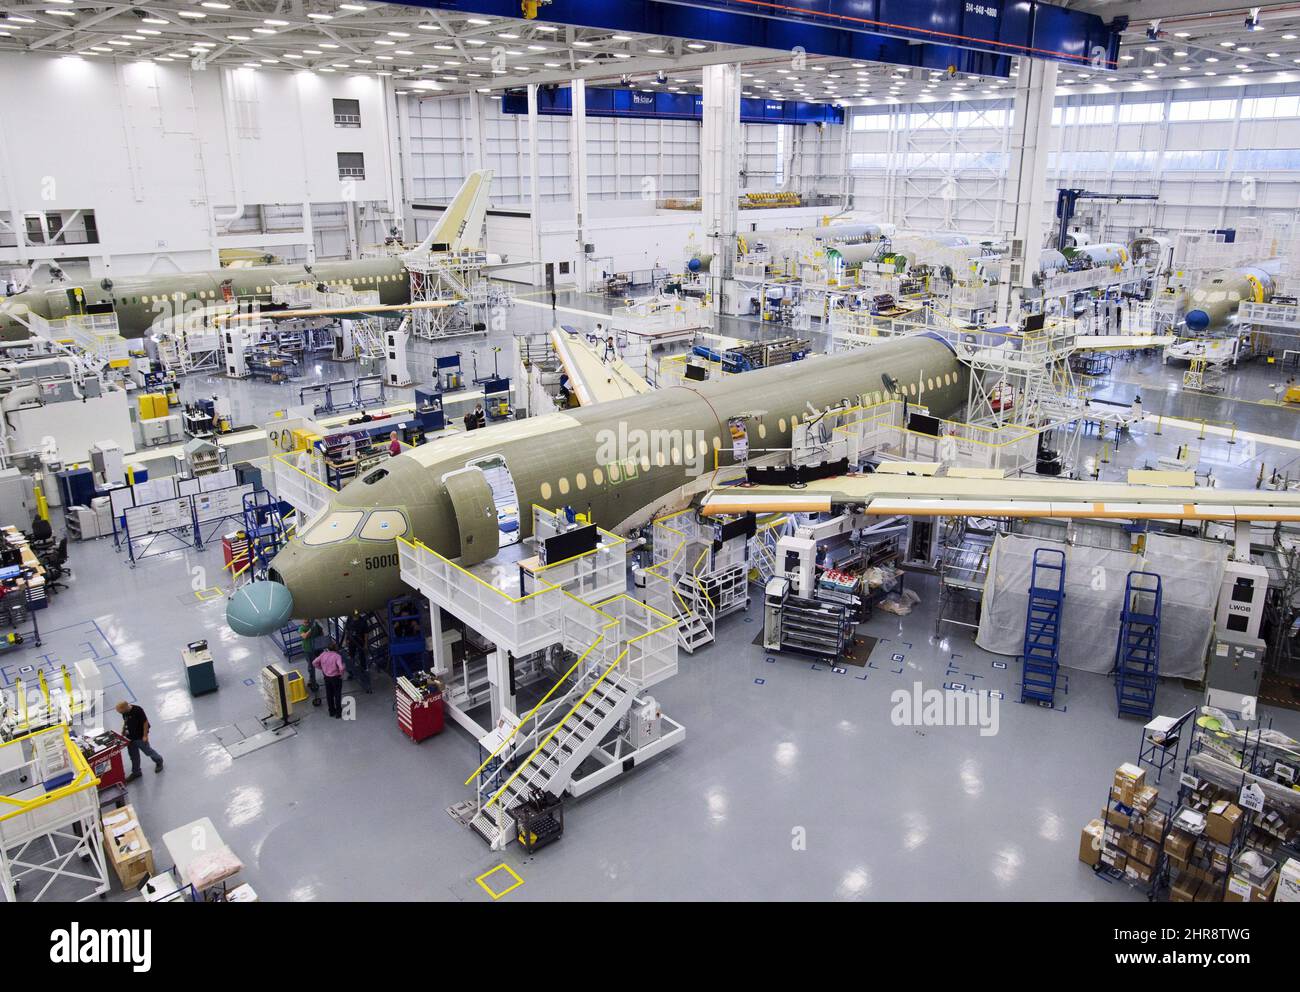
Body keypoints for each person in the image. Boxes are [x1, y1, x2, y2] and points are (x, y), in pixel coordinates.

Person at [115, 701, 164, 781]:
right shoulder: (124, 712)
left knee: (148, 751)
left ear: (125, 707)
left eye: (120, 711)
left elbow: (145, 723)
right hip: (130, 738)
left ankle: (159, 761)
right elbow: (125, 721)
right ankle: (136, 772)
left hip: (139, 737)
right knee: (133, 756)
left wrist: (145, 736)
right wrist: (123, 730)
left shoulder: (138, 710)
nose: (120, 713)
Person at [313, 640, 347, 718]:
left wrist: (321, 668)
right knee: (337, 695)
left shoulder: (323, 654)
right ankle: (338, 713)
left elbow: (314, 662)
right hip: (336, 677)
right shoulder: (337, 656)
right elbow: (341, 668)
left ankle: (331, 711)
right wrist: (341, 674)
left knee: (329, 694)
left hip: (327, 677)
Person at [343, 611, 372, 694]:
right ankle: (351, 672)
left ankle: (363, 672)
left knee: (362, 657)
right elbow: (347, 630)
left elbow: (366, 633)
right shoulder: (350, 619)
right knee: (351, 656)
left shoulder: (363, 621)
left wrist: (366, 644)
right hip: (352, 641)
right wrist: (346, 640)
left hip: (360, 641)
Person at [298, 619, 323, 693]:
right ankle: (312, 682)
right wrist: (311, 629)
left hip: (317, 648)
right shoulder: (301, 628)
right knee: (311, 666)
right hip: (308, 650)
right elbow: (305, 636)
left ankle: (328, 676)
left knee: (323, 662)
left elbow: (321, 632)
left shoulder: (315, 625)